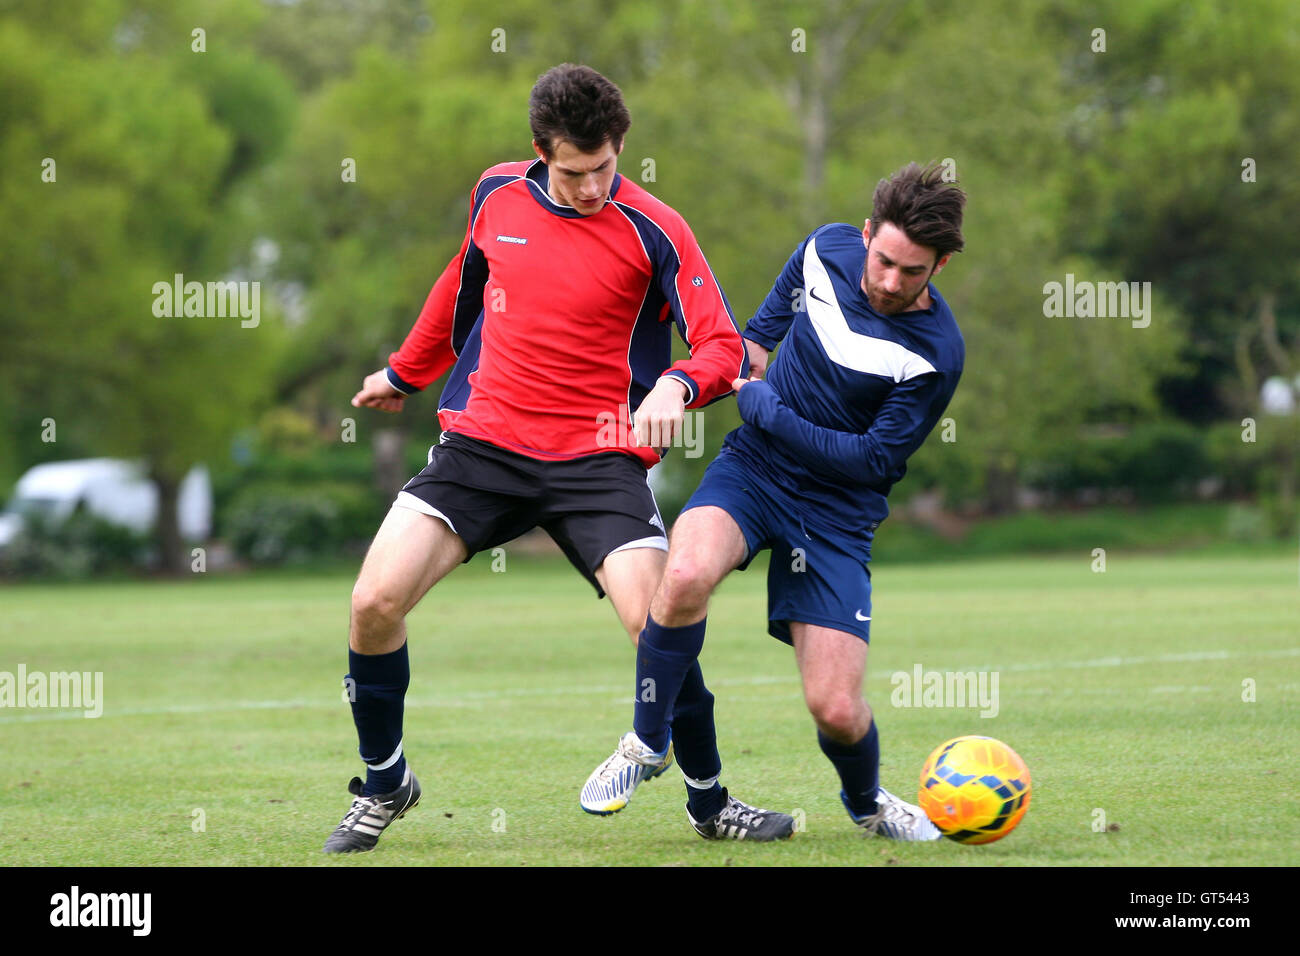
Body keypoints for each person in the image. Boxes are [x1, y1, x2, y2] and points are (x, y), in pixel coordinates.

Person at [324, 63, 791, 853]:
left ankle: (710, 803)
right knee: (373, 605)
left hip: (598, 461)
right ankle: (385, 781)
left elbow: (724, 344)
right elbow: (458, 291)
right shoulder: (496, 195)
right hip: (481, 448)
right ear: (540, 152)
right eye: (573, 172)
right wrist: (404, 371)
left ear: (620, 148)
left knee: (661, 625)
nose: (590, 188)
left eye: (604, 168)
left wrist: (679, 385)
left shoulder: (657, 229)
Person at [580, 161, 967, 841]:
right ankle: (647, 741)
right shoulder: (822, 250)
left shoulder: (937, 353)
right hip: (754, 472)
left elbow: (872, 459)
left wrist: (765, 410)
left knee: (837, 709)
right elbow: (753, 342)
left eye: (914, 272)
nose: (889, 282)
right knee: (687, 574)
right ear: (868, 234)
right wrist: (720, 381)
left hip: (837, 516)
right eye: (884, 261)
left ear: (939, 267)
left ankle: (868, 801)